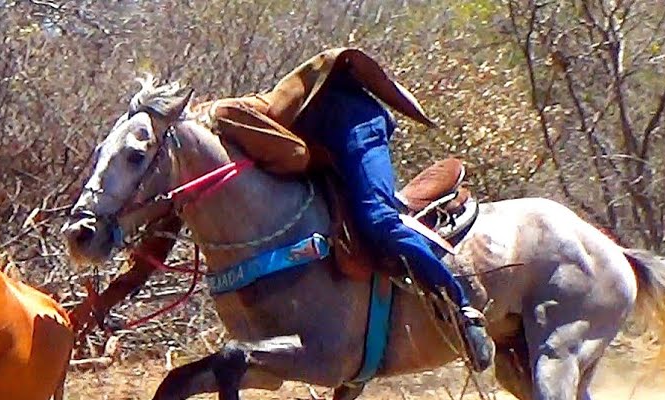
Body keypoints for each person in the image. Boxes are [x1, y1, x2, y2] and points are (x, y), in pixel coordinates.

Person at [205, 48, 494, 372]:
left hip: (357, 127)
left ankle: (462, 310)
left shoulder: (238, 120)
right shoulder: (229, 126)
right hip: (321, 142)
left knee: (378, 220)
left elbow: (293, 157)